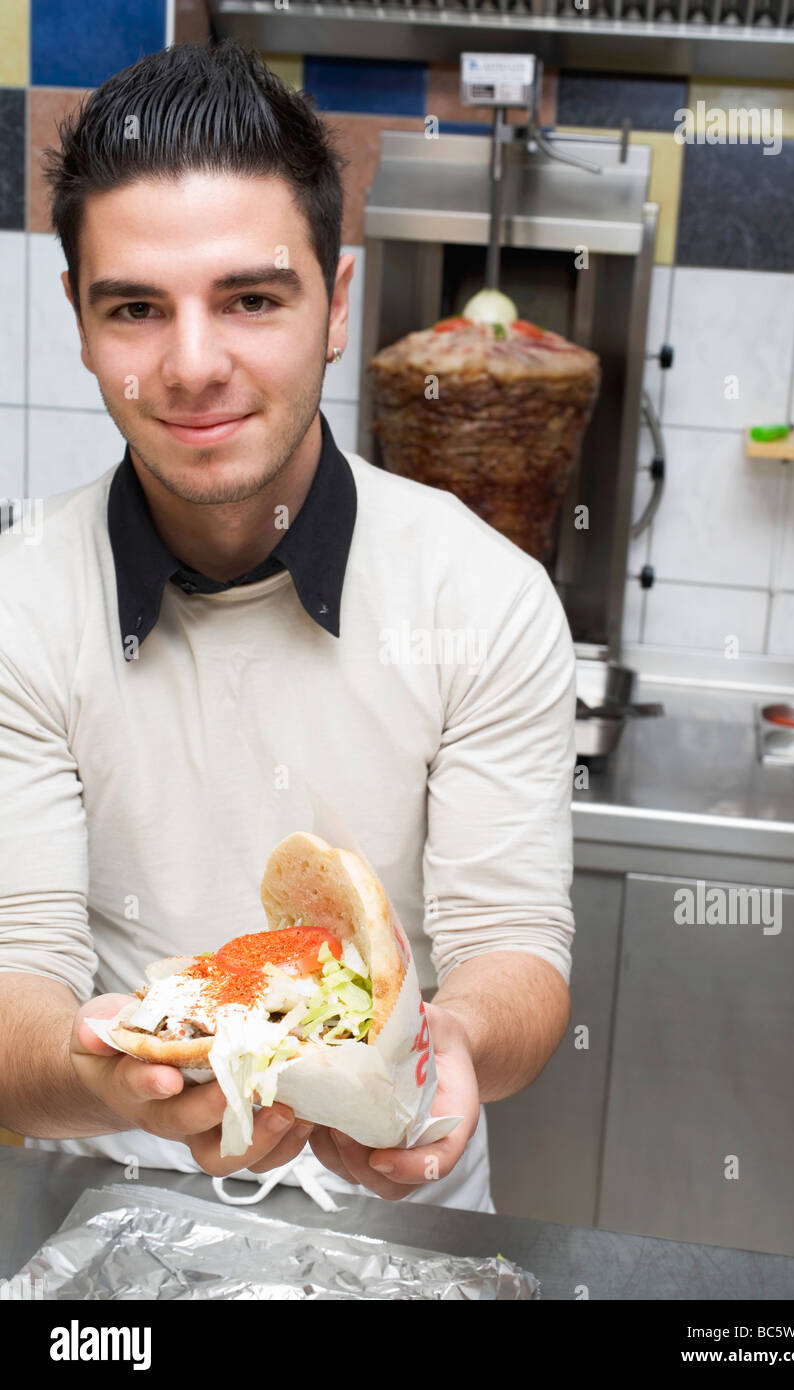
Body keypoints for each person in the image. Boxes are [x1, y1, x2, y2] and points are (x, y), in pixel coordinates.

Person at [0, 39, 576, 1214]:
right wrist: (109, 1080)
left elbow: (514, 949)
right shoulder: (17, 604)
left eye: (252, 298)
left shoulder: (485, 598)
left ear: (334, 301)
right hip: (110, 1200)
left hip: (397, 1200)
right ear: (77, 318)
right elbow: (17, 978)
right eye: (135, 308)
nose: (192, 364)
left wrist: (446, 1046)